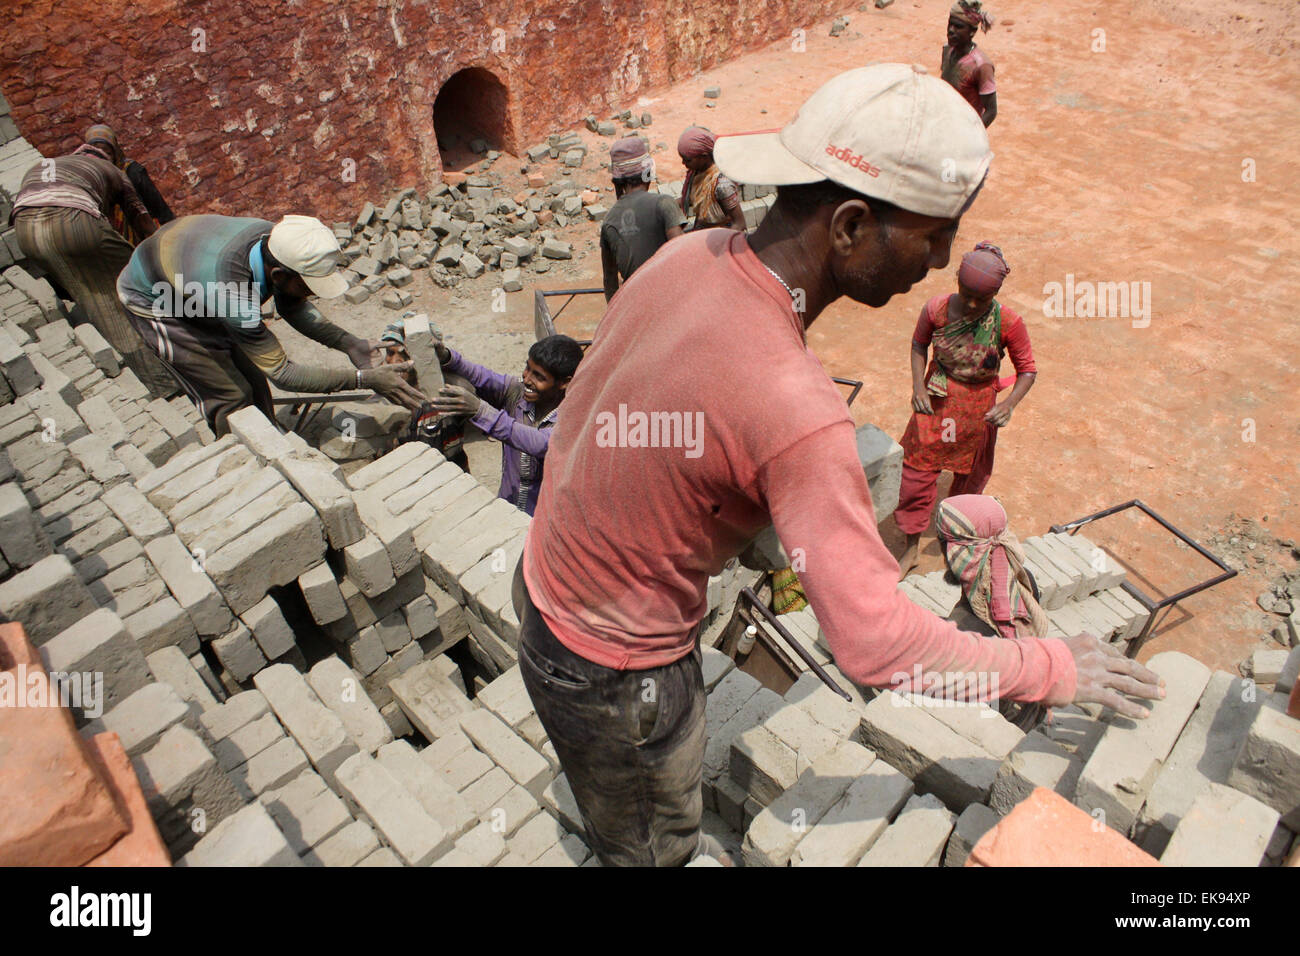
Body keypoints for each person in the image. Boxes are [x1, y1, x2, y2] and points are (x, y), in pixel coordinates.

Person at [516, 64, 1164, 867]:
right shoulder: (796, 407)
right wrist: (1043, 668)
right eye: (932, 235)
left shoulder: (693, 256)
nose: (939, 261)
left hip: (543, 581)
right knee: (651, 850)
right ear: (852, 225)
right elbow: (873, 648)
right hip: (615, 671)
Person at [116, 214, 424, 436]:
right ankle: (251, 461)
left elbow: (292, 306)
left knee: (252, 376)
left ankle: (271, 438)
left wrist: (349, 343)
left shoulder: (274, 241)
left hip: (194, 281)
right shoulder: (232, 291)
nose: (314, 293)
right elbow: (284, 374)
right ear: (278, 275)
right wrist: (365, 379)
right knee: (231, 396)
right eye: (309, 285)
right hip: (158, 301)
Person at [894, 241, 1034, 577]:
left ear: (996, 293)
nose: (971, 304)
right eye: (966, 293)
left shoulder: (1008, 323)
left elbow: (1028, 369)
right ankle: (910, 549)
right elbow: (918, 344)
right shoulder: (936, 310)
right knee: (915, 477)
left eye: (981, 299)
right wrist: (917, 388)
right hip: (935, 402)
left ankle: (954, 543)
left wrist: (1009, 404)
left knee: (968, 482)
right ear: (956, 279)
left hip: (977, 411)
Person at [10, 136, 179, 398]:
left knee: (96, 302)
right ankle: (181, 369)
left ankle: (159, 384)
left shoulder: (50, 166)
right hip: (75, 224)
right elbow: (143, 223)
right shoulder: (113, 171)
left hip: (25, 234)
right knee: (138, 288)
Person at [430, 334, 583, 516]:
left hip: (544, 520)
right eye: (528, 368)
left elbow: (539, 443)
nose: (527, 379)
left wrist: (481, 411)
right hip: (507, 506)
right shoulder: (516, 392)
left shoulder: (575, 419)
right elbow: (480, 376)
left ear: (565, 382)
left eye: (539, 377)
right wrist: (447, 356)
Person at [378, 320, 473, 472]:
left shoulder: (442, 400)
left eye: (404, 354)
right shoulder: (389, 391)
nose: (394, 361)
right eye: (389, 353)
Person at [600, 137, 685, 300]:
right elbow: (682, 255)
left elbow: (609, 280)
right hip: (669, 300)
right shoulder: (664, 204)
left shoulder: (609, 220)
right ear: (648, 173)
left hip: (635, 304)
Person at [83, 123, 176, 245]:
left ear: (115, 152)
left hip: (144, 236)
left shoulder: (132, 171)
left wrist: (172, 231)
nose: (104, 158)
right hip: (115, 243)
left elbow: (157, 206)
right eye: (98, 154)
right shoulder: (91, 180)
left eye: (108, 153)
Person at [677, 126, 746, 232]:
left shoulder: (722, 186)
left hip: (721, 236)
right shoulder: (696, 173)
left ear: (704, 157)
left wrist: (722, 244)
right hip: (702, 231)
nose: (683, 163)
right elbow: (696, 199)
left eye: (687, 160)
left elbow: (740, 224)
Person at [941, 0, 998, 126]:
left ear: (972, 31)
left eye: (958, 27)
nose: (951, 30)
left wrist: (973, 134)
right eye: (950, 24)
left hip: (965, 128)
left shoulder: (982, 66)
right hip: (944, 122)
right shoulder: (947, 50)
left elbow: (991, 111)